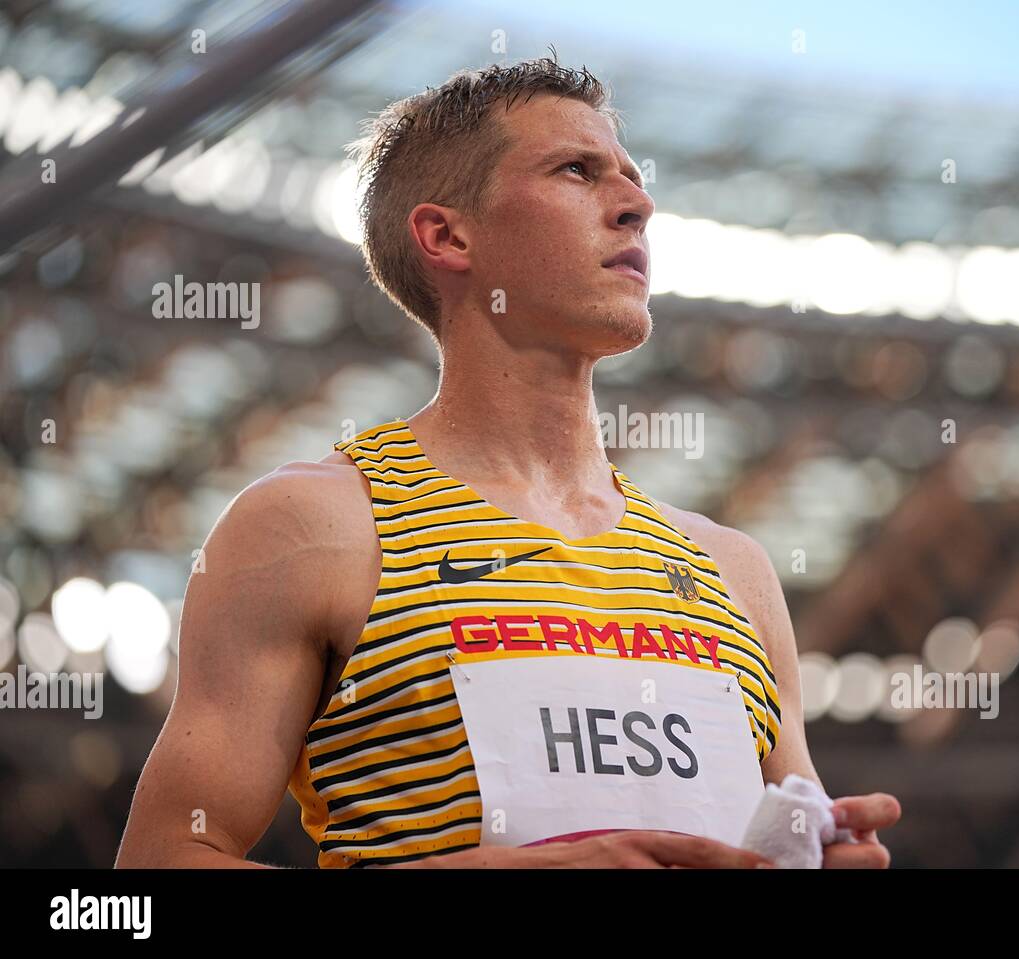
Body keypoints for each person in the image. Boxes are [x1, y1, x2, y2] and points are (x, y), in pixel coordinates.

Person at [115, 55, 901, 869]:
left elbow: (792, 835)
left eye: (631, 178)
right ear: (447, 235)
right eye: (577, 171)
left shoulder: (735, 571)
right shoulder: (315, 528)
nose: (638, 204)